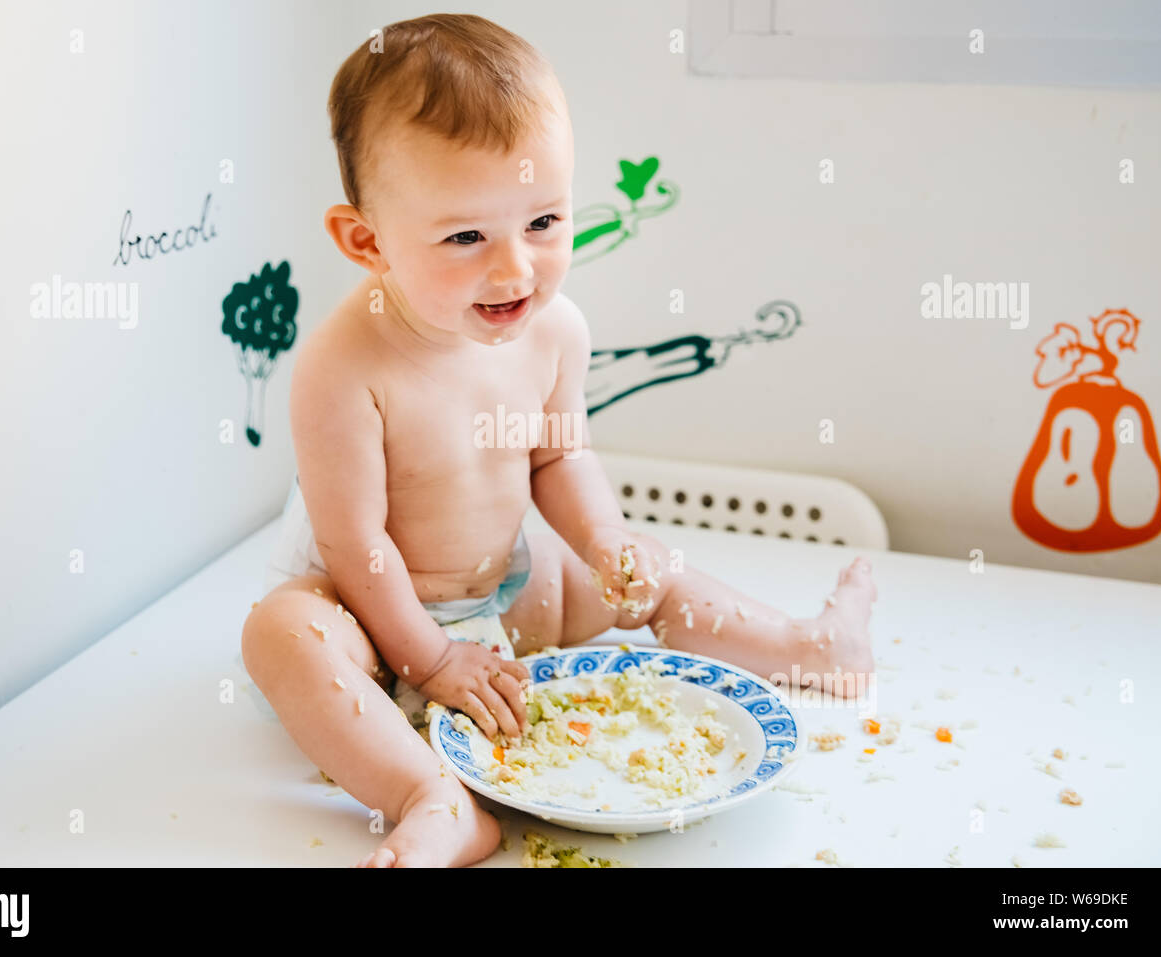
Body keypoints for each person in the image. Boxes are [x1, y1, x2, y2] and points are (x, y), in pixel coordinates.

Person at [241, 13, 877, 868]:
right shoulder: (340, 367)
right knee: (281, 632)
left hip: (503, 595)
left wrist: (603, 538)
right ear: (367, 241)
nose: (515, 269)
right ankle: (429, 798)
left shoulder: (554, 331)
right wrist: (431, 661)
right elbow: (356, 545)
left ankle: (806, 645)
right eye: (465, 236)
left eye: (543, 220)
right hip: (372, 615)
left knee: (645, 571)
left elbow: (556, 457)